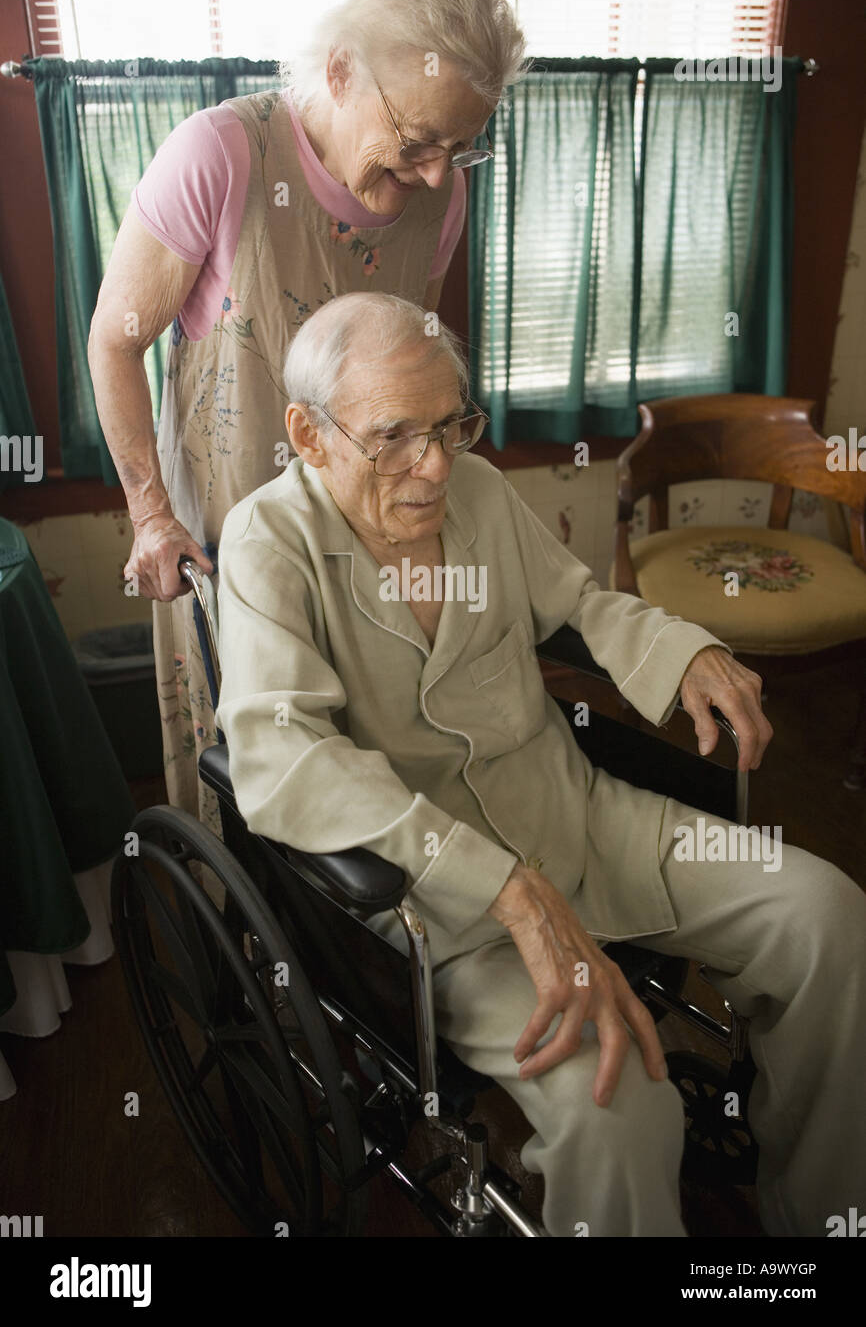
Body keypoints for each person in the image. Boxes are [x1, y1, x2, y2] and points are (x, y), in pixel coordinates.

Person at [213, 291, 866, 1237]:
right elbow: (284, 757)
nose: (435, 465)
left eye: (451, 425)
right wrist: (502, 886)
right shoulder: (268, 543)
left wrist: (683, 648)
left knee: (830, 921)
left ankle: (821, 1225)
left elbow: (581, 604)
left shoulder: (474, 489)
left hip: (581, 815)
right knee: (623, 1110)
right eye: (396, 436)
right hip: (448, 907)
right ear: (308, 436)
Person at [87, 0, 525, 831]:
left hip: (366, 542)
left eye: (462, 147)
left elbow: (411, 370)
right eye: (419, 141)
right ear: (340, 72)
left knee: (368, 769)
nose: (440, 174)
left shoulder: (441, 196)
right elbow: (115, 339)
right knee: (257, 771)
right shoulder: (222, 153)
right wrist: (149, 515)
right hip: (232, 544)